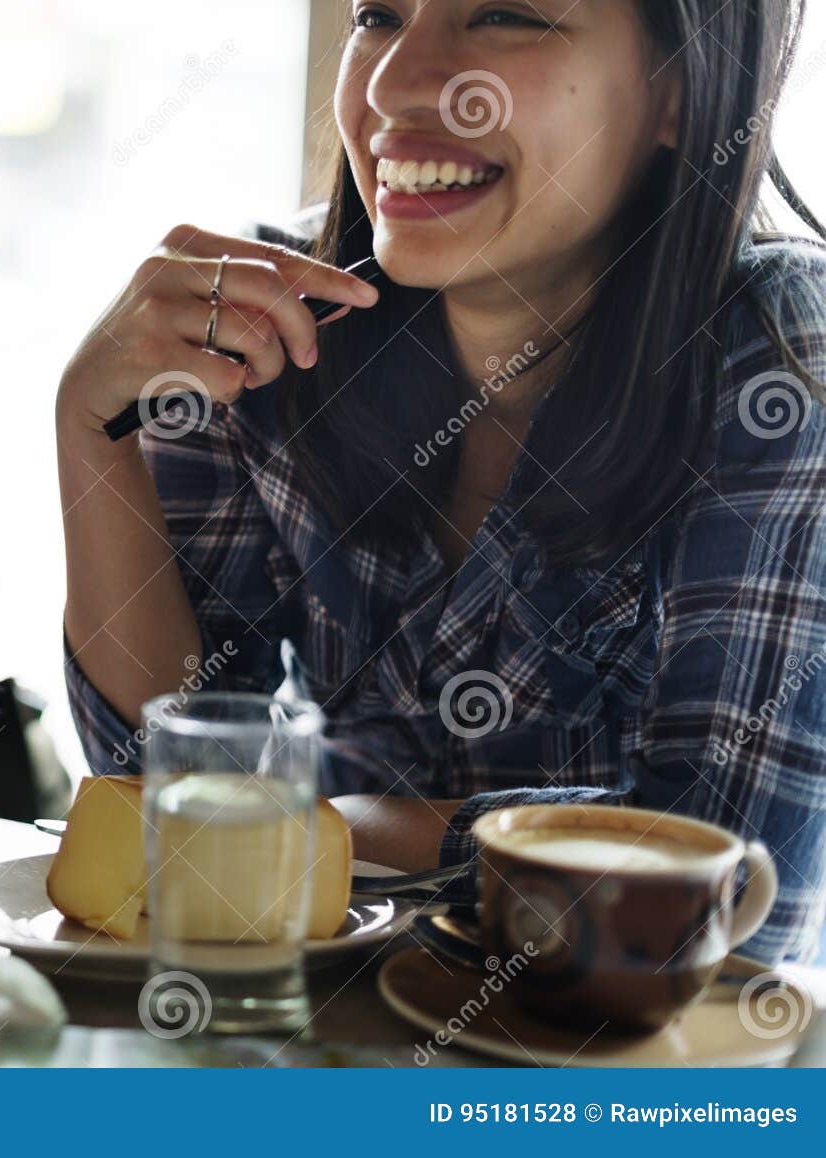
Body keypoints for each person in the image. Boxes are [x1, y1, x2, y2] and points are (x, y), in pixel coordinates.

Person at [57, 0, 826, 961]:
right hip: (312, 1028)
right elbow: (151, 804)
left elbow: (731, 902)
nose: (393, 84)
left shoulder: (782, 364)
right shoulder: (261, 328)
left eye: (504, 14)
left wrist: (335, 824)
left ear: (683, 89)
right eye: (377, 14)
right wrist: (90, 433)